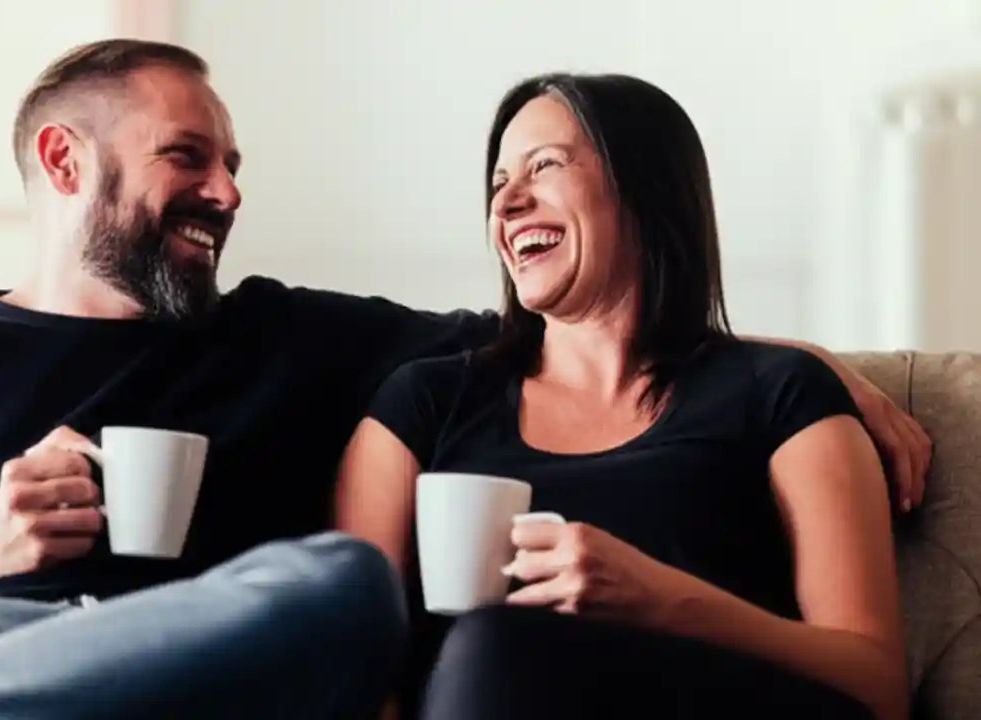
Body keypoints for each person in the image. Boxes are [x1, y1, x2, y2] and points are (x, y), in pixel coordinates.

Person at [0, 40, 923, 719]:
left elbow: (582, 325)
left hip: (184, 680)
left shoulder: (296, 339)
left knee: (337, 592)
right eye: (185, 158)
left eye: (233, 164)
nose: (228, 191)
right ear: (64, 160)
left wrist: (817, 366)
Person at [336, 74, 910, 720]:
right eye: (497, 185)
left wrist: (661, 600)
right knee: (486, 648)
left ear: (644, 189)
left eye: (544, 166)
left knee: (493, 645)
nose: (507, 204)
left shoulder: (782, 394)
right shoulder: (424, 403)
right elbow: (355, 665)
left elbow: (878, 687)